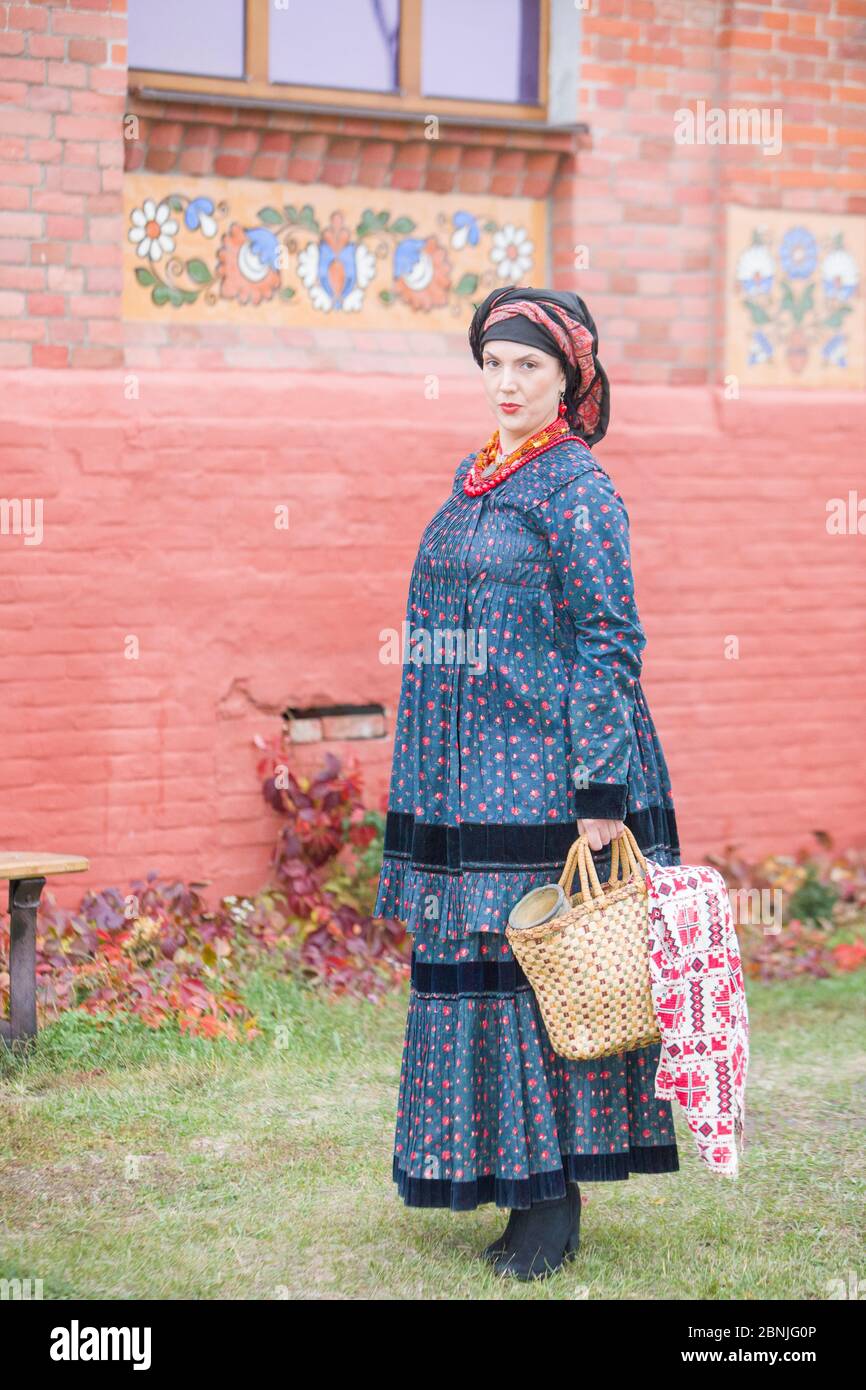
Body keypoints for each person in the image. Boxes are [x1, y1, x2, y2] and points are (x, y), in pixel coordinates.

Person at [373, 286, 681, 1281]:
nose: (506, 382)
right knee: (477, 979)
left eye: (529, 367)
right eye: (493, 363)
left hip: (544, 775)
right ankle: (509, 1180)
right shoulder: (472, 478)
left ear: (567, 378)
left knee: (538, 985)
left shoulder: (575, 486)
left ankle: (551, 1205)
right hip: (461, 777)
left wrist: (600, 791)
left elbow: (608, 637)